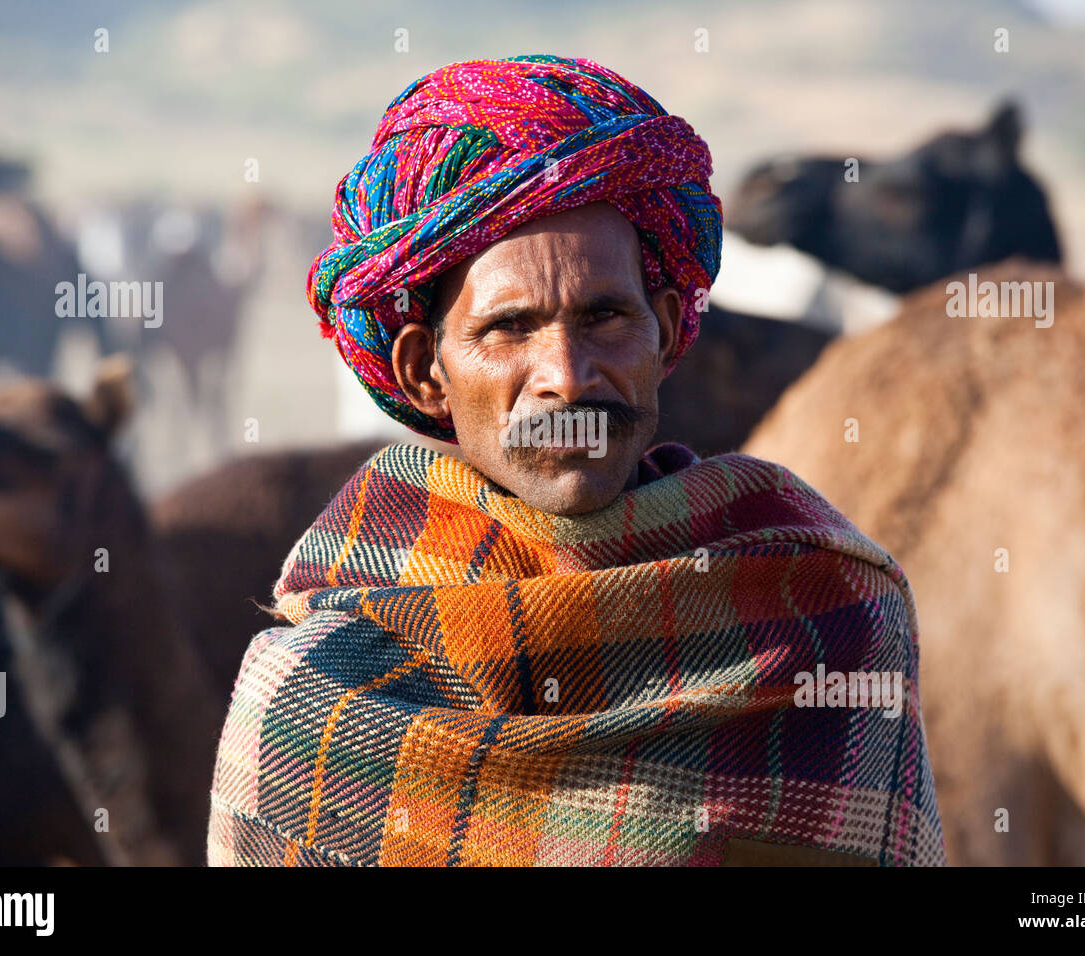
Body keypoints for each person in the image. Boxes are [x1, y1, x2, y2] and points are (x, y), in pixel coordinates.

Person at [207, 54, 945, 867]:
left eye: (605, 317)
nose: (567, 375)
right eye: (508, 328)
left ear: (664, 332)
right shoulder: (318, 692)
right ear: (424, 371)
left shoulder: (828, 617)